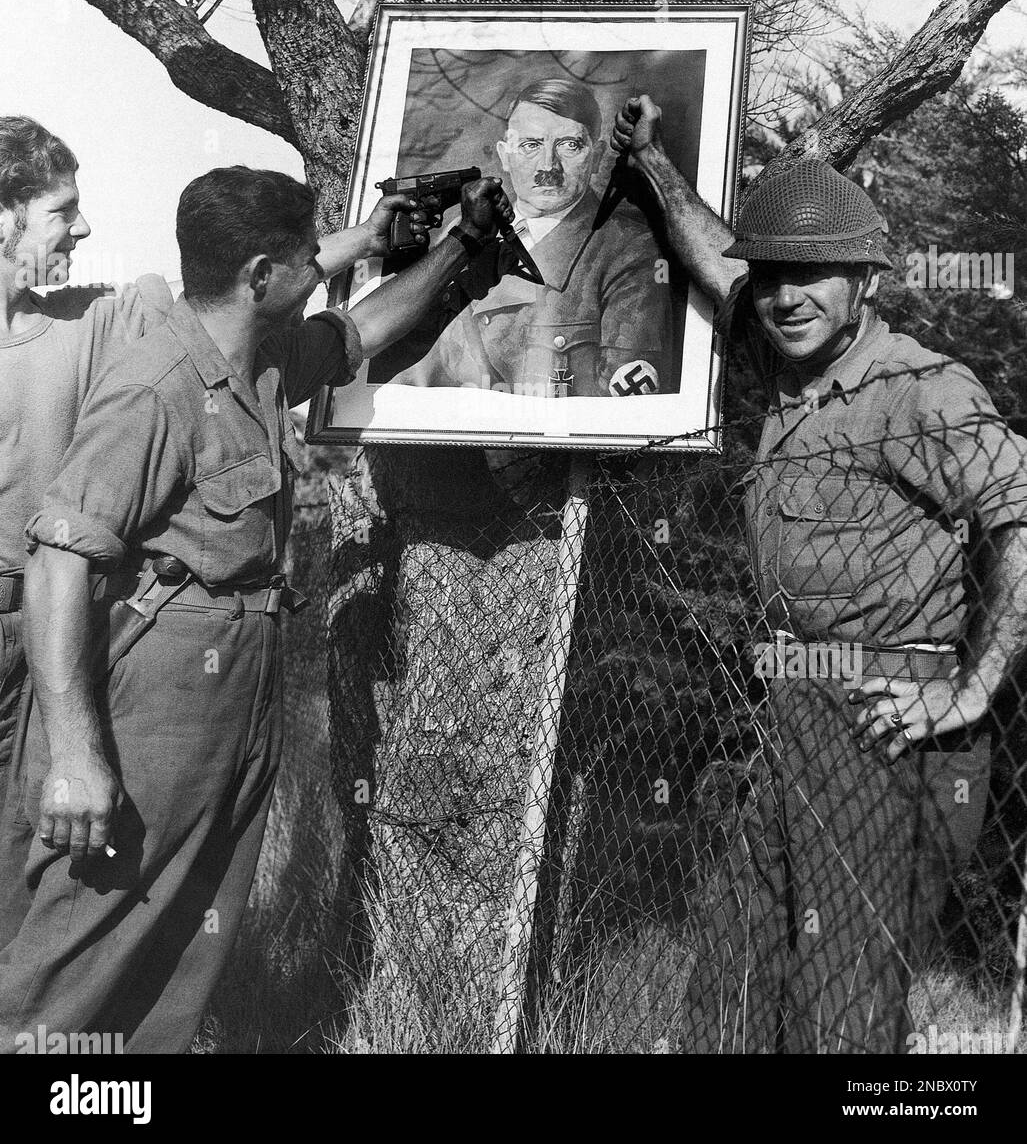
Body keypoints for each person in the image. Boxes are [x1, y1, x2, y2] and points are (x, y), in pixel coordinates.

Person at [0, 164, 507, 1053]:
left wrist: (462, 247)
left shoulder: (255, 356)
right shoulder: (157, 387)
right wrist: (77, 757)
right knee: (86, 941)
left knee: (182, 941)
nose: (326, 262)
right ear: (260, 276)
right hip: (154, 691)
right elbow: (58, 562)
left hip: (241, 674)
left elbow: (358, 333)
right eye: (311, 254)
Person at [612, 96, 1027, 1053]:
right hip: (792, 711)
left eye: (815, 276)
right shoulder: (795, 370)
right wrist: (656, 166)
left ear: (869, 282)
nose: (786, 296)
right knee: (735, 989)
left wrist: (966, 690)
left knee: (843, 1012)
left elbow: (1020, 513)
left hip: (886, 716)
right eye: (775, 277)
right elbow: (723, 264)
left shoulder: (916, 388)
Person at [394, 77, 673, 398]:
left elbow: (618, 412)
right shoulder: (463, 232)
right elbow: (427, 367)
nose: (547, 166)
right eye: (530, 145)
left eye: (569, 145)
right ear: (505, 155)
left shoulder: (630, 249)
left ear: (595, 157)